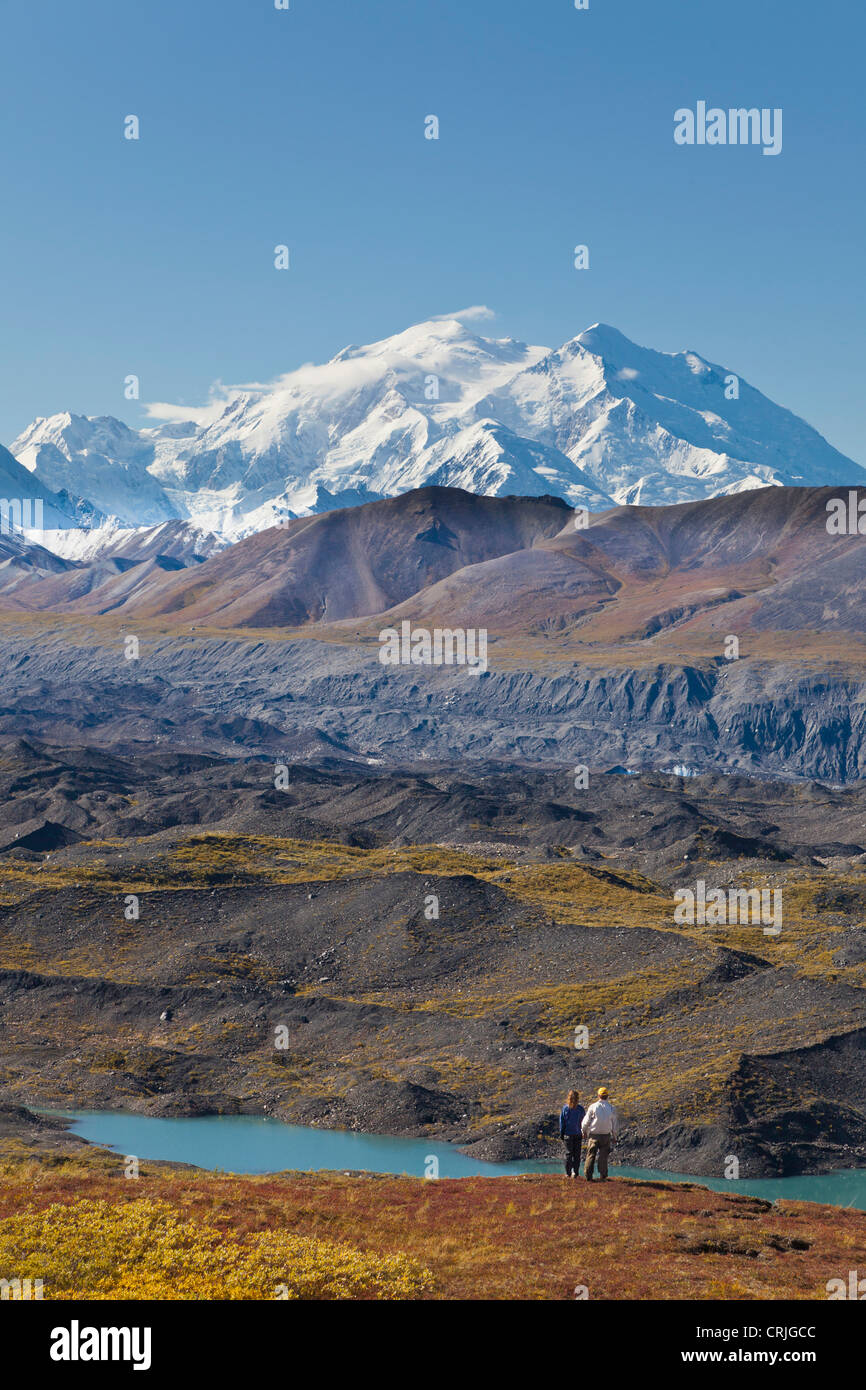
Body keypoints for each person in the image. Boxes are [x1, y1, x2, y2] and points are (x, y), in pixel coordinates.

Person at [581, 1086, 618, 1181]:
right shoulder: (611, 1108)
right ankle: (603, 1176)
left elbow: (586, 1122)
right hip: (606, 1135)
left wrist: (584, 1131)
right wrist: (615, 1136)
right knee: (603, 1156)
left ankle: (588, 1176)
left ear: (598, 1095)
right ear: (607, 1096)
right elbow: (614, 1124)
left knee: (591, 1155)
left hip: (594, 1135)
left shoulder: (593, 1107)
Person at [559, 1089, 585, 1178]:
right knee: (577, 1154)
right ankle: (575, 1172)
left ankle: (568, 1173)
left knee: (568, 1154)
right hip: (578, 1134)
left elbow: (562, 1122)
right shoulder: (580, 1109)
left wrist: (561, 1133)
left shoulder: (565, 1108)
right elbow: (584, 1122)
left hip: (568, 1134)